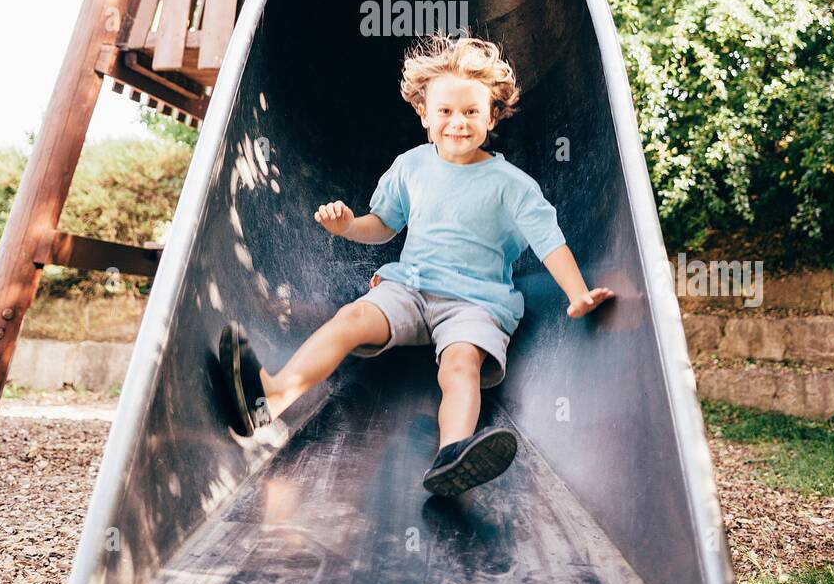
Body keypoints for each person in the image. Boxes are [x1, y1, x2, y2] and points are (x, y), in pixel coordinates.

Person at [219, 33, 614, 497]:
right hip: (410, 287)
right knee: (351, 319)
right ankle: (272, 397)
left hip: (476, 303)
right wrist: (348, 226)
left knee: (460, 366)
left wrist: (577, 294)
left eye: (471, 112)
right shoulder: (411, 166)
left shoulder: (513, 185)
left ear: (492, 115)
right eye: (445, 111)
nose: (458, 123)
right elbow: (385, 225)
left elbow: (550, 243)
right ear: (424, 115)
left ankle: (453, 456)